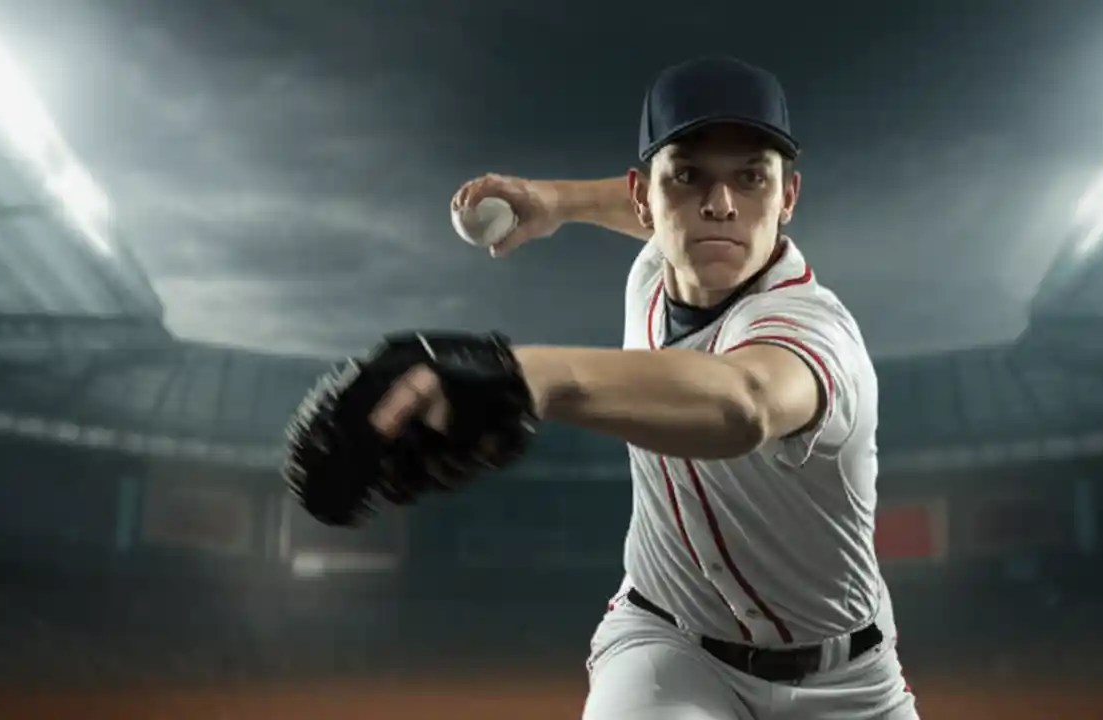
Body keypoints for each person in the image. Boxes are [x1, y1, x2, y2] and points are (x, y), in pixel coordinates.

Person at [373, 56, 919, 719]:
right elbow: (679, 216)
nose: (721, 204)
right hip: (667, 644)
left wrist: (521, 376)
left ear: (788, 199)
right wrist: (556, 201)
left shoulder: (812, 329)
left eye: (753, 178)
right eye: (689, 176)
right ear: (645, 197)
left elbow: (741, 404)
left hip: (848, 685)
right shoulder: (654, 269)